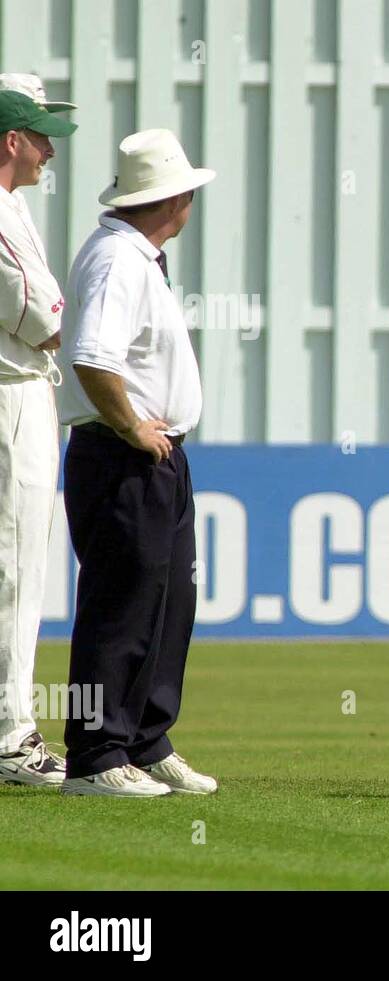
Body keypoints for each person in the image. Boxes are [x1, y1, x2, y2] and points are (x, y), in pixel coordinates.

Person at [56, 129, 217, 797]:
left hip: (157, 455)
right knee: (119, 603)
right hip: (124, 453)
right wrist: (131, 427)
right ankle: (95, 756)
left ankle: (146, 739)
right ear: (174, 199)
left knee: (168, 598)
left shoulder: (137, 257)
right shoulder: (119, 260)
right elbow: (93, 357)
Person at [0, 88, 75, 787]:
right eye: (39, 135)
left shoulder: (14, 205)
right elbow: (47, 318)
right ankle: (11, 738)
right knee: (16, 569)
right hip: (10, 396)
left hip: (23, 390)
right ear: (8, 140)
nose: (49, 149)